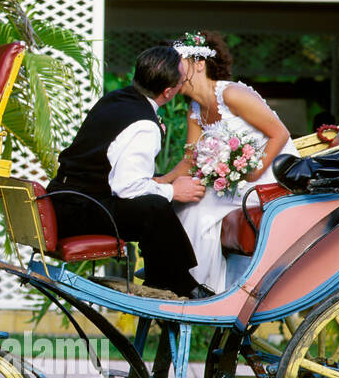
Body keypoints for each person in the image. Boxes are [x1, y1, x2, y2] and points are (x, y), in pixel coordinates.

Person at [48, 45, 206, 298]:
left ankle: (163, 273)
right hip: (80, 213)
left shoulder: (114, 98)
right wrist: (173, 190)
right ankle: (179, 282)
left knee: (154, 203)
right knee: (155, 207)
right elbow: (128, 188)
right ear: (168, 92)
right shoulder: (144, 124)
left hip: (63, 201)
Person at [168, 30, 298, 295]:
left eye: (178, 62)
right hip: (232, 182)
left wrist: (255, 169)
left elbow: (280, 133)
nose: (172, 70)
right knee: (180, 202)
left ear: (199, 63)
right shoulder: (195, 111)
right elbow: (190, 160)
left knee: (198, 209)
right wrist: (159, 181)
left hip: (268, 178)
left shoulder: (232, 94)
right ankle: (184, 278)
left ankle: (204, 288)